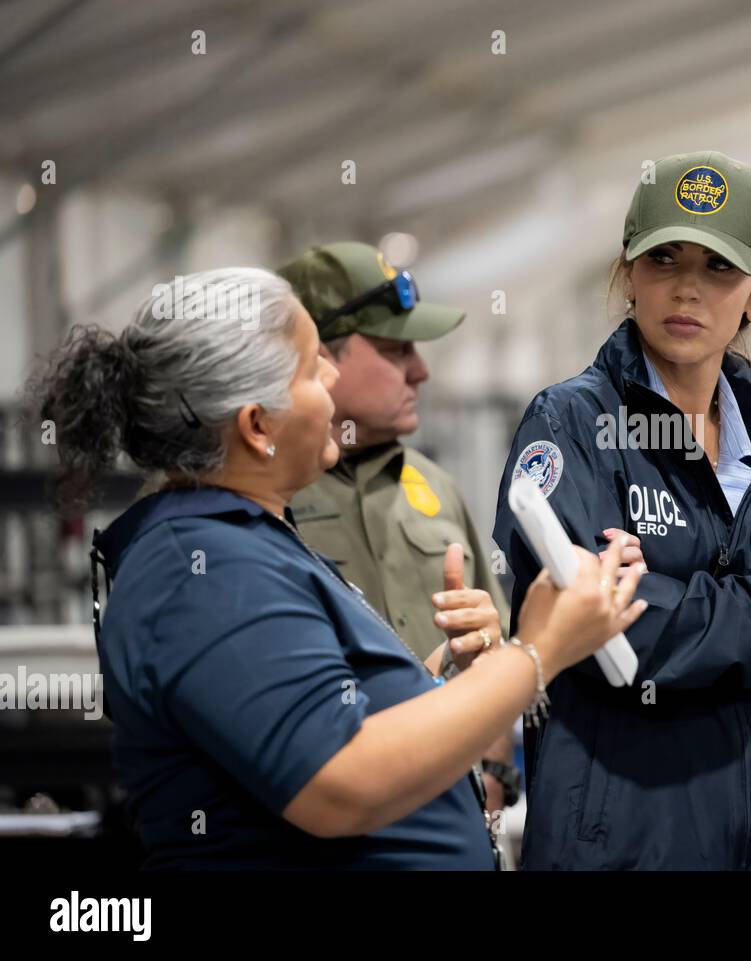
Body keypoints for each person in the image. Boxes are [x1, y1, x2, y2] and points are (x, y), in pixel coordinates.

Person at [27, 267, 645, 869]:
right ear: (258, 426)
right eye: (312, 365)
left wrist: (441, 680)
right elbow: (339, 782)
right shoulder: (208, 571)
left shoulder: (246, 544)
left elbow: (323, 721)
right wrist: (536, 654)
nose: (330, 374)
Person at [493, 151, 751, 869]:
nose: (686, 288)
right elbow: (604, 635)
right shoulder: (572, 423)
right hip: (620, 849)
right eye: (664, 259)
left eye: (718, 268)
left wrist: (678, 610)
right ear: (628, 275)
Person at [277, 242, 519, 819]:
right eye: (395, 348)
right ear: (315, 357)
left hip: (444, 820)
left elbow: (491, 650)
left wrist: (490, 780)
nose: (421, 368)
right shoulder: (261, 494)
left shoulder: (434, 488)